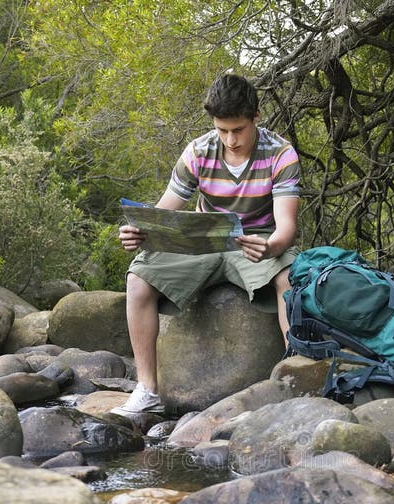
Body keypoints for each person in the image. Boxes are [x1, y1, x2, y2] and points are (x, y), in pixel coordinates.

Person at [112, 72, 301, 415]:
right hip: (203, 245)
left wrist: (271, 247)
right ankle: (147, 390)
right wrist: (140, 231)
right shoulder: (198, 152)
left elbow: (286, 226)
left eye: (238, 130)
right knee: (137, 278)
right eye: (222, 130)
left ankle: (293, 380)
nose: (230, 140)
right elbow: (164, 211)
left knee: (290, 277)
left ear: (255, 117)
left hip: (256, 244)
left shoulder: (281, 154)